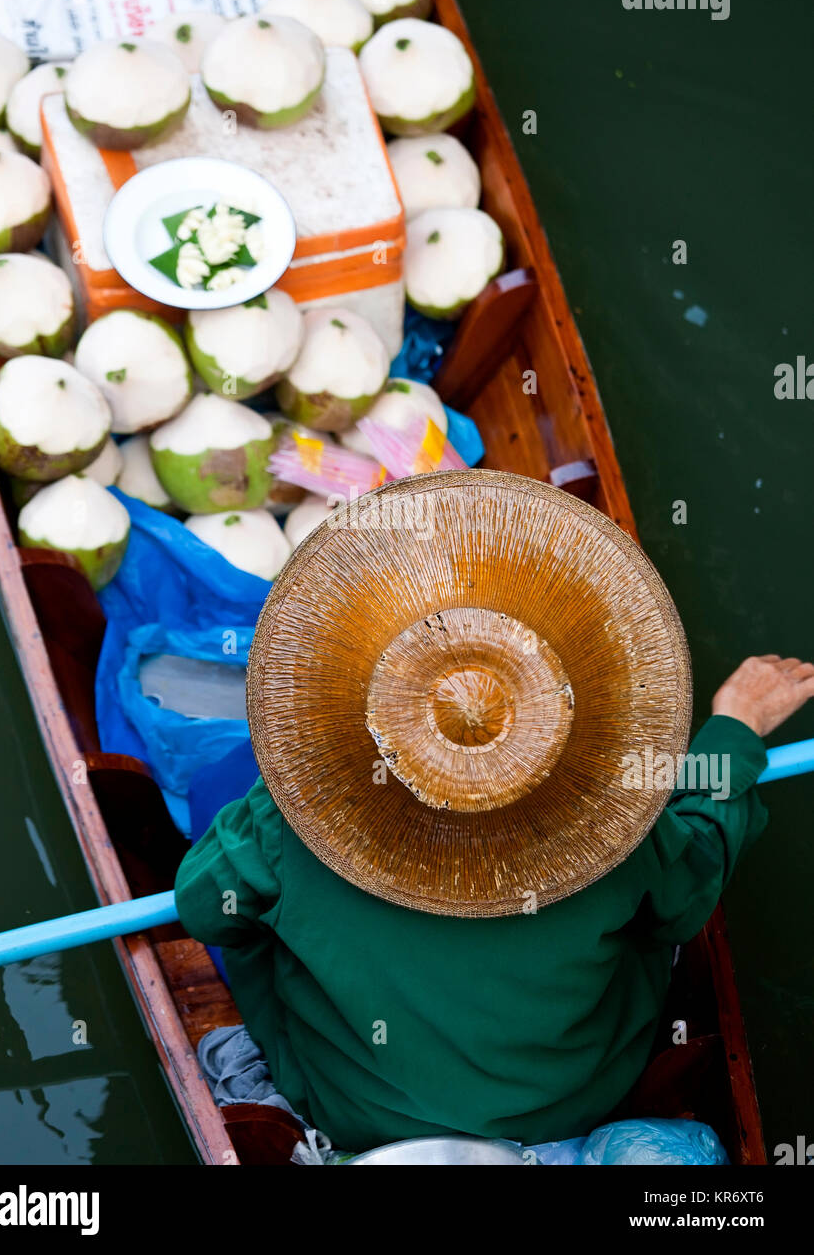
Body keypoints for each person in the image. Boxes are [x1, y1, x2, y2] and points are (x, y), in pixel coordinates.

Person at [174, 474, 814, 1154]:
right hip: (567, 1102)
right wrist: (734, 731)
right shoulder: (618, 826)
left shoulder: (284, 828)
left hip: (361, 1112)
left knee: (224, 792)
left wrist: (300, 781)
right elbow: (688, 895)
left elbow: (206, 909)